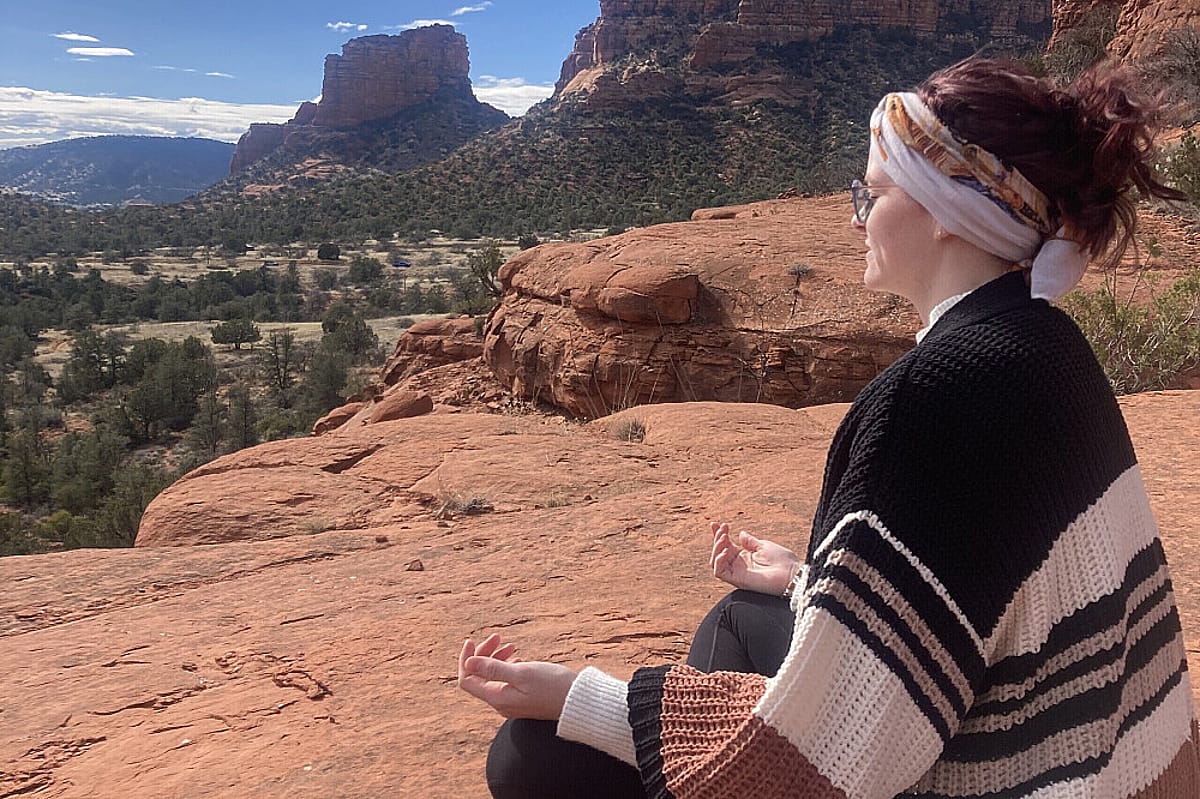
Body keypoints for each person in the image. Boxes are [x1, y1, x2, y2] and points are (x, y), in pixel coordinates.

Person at [458, 57, 1200, 798]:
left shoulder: (929, 399)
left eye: (872, 193)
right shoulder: (1044, 341)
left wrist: (580, 694)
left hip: (1020, 774)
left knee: (527, 755)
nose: (855, 216)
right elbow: (976, 576)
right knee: (745, 614)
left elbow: (824, 751)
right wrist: (809, 578)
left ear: (947, 211)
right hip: (1120, 759)